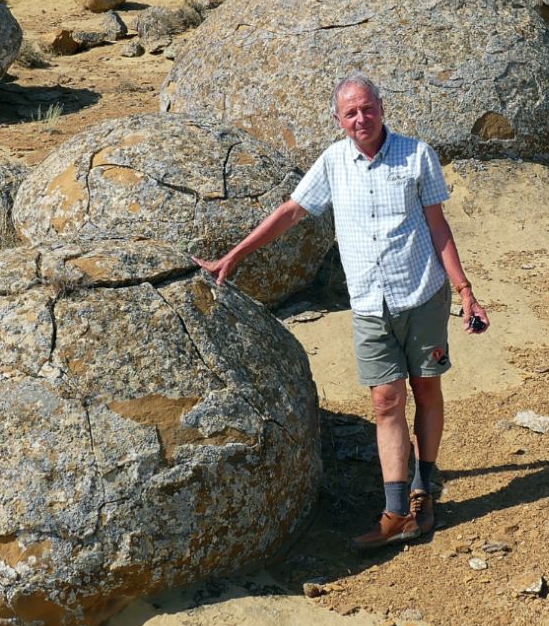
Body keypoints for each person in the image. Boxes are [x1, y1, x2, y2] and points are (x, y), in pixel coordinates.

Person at [196, 76, 489, 550]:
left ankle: (423, 491)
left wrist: (465, 291)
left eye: (367, 109)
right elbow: (292, 211)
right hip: (370, 304)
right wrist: (236, 254)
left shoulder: (416, 155)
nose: (361, 120)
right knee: (385, 402)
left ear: (381, 108)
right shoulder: (333, 162)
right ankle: (395, 513)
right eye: (350, 113)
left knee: (426, 389)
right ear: (338, 120)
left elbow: (439, 226)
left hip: (422, 294)